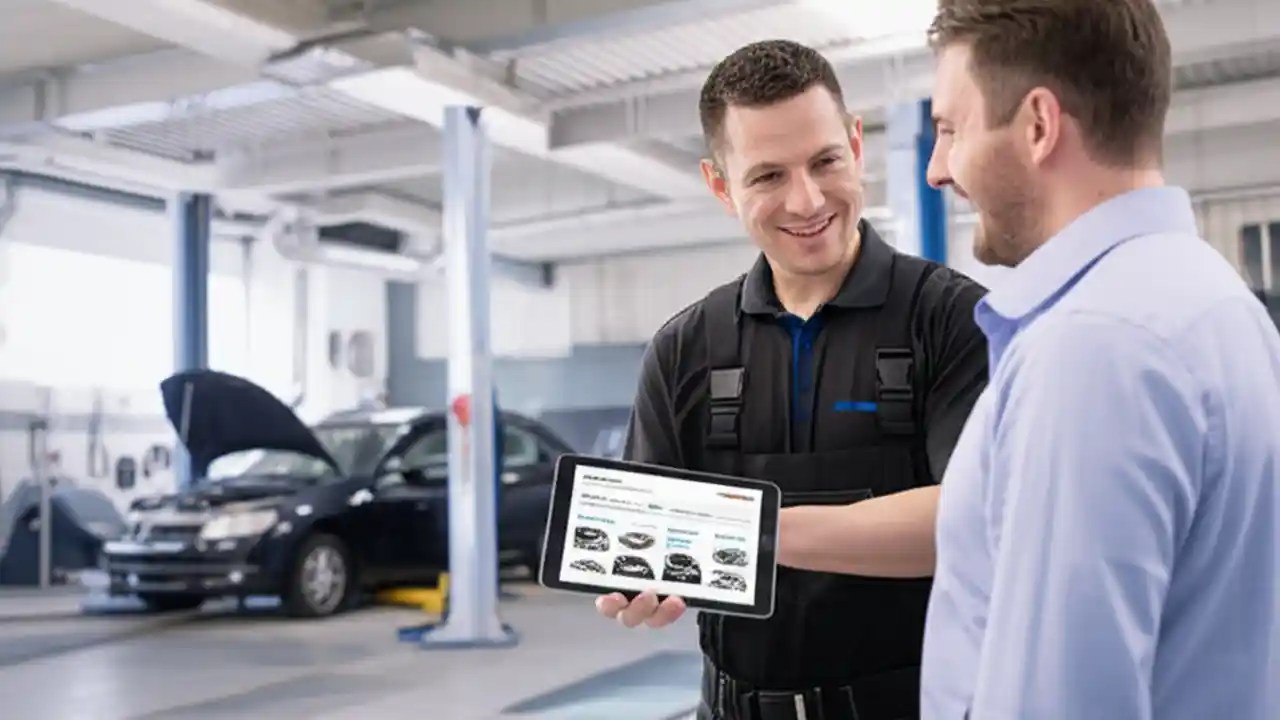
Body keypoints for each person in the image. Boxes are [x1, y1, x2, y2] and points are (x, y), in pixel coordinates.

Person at [595, 39, 990, 720]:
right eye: (767, 176)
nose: (806, 200)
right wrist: (642, 585)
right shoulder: (683, 349)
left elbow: (972, 521)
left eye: (825, 161)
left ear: (857, 144)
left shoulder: (952, 320)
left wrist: (749, 531)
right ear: (721, 185)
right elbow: (650, 536)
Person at [919, 1, 1280, 718]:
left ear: (1038, 126)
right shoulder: (1217, 304)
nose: (937, 170)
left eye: (951, 130)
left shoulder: (1091, 348)